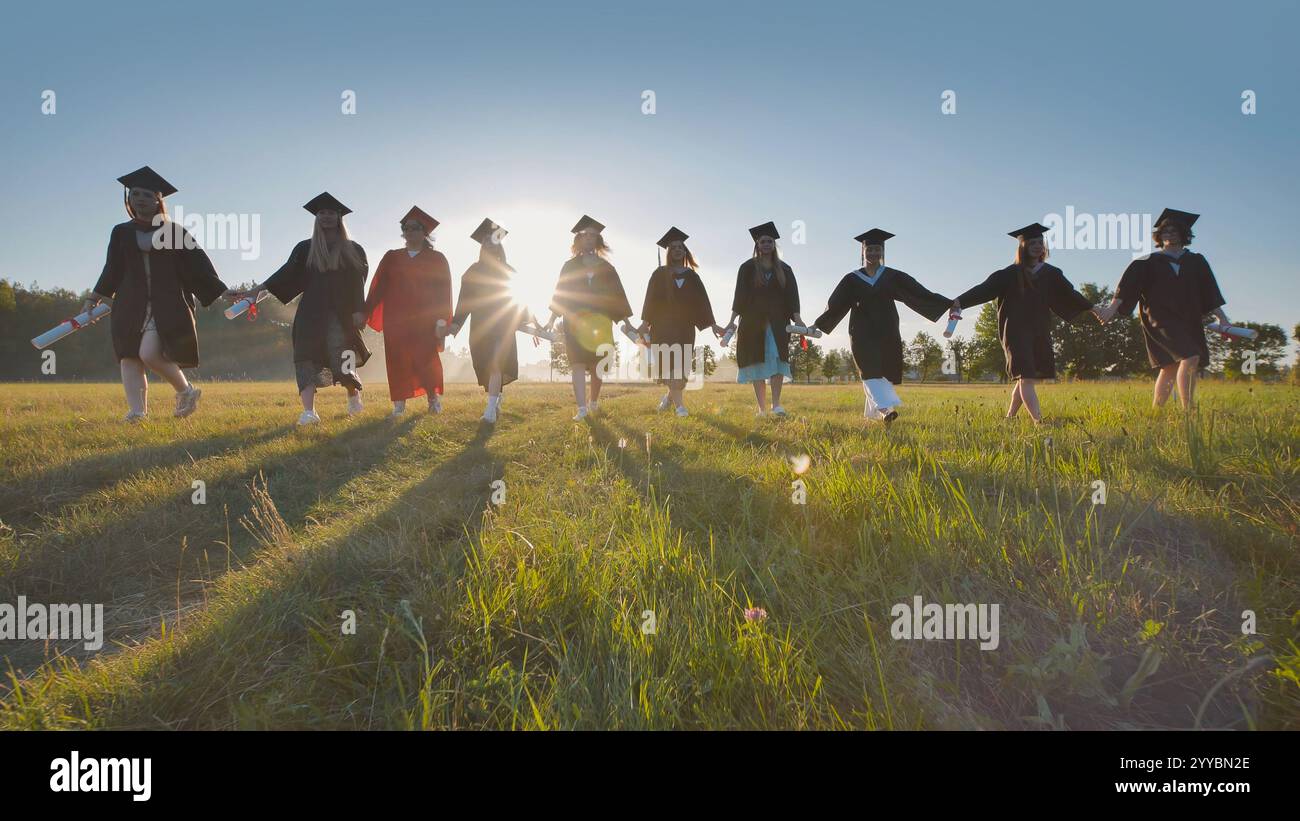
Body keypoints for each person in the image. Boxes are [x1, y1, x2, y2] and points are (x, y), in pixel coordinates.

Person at [83, 166, 234, 422]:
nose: (140, 198)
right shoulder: (121, 232)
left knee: (149, 354)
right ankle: (137, 412)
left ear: (158, 200)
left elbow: (199, 265)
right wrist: (94, 296)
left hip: (167, 303)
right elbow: (112, 268)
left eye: (147, 195)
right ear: (128, 199)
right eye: (135, 194)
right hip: (130, 304)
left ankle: (186, 391)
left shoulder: (174, 232)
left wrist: (223, 291)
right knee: (129, 357)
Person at [237, 192, 370, 425]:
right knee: (305, 357)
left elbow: (358, 282)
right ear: (316, 218)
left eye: (331, 213)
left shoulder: (353, 249)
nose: (326, 217)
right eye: (321, 213)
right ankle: (309, 412)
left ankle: (353, 395)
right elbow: (283, 276)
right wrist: (255, 293)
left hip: (342, 313)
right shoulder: (305, 248)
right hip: (311, 313)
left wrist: (360, 310)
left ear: (339, 217)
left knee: (344, 357)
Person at [953, 222, 1106, 423]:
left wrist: (1094, 309)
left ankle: (1009, 418)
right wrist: (958, 302)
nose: (1037, 246)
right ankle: (1038, 422)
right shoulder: (1009, 274)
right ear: (1023, 246)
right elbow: (984, 289)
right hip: (1015, 331)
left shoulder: (1051, 273)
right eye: (1032, 242)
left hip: (1040, 330)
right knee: (1025, 376)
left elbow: (1071, 294)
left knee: (1027, 378)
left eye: (1040, 242)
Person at [813, 229, 951, 424]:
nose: (873, 254)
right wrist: (819, 324)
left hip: (887, 329)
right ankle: (886, 410)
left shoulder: (892, 276)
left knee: (884, 369)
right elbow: (836, 303)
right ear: (863, 252)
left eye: (877, 250)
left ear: (882, 252)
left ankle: (874, 413)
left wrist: (946, 303)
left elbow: (918, 292)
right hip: (861, 331)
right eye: (869, 250)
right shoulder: (852, 279)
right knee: (868, 369)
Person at [1097, 209, 1229, 410]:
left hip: (1189, 319)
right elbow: (1126, 286)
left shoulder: (1197, 261)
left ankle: (1156, 411)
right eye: (1165, 231)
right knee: (1191, 356)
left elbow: (1209, 292)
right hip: (1160, 318)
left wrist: (1223, 319)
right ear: (1159, 235)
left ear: (1184, 234)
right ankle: (1189, 410)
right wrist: (1111, 309)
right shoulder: (1147, 261)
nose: (1169, 234)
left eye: (1174, 230)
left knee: (1169, 366)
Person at [363, 206, 452, 417]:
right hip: (396, 319)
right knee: (397, 360)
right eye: (406, 228)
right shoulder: (392, 257)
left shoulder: (437, 259)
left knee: (426, 359)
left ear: (425, 232)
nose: (410, 232)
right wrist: (365, 311)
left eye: (415, 228)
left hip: (425, 319)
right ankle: (399, 405)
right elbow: (377, 288)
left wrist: (442, 320)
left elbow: (444, 291)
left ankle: (433, 399)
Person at [544, 215, 633, 421]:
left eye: (593, 236)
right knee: (576, 363)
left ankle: (593, 402)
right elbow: (561, 293)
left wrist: (626, 322)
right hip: (574, 321)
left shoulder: (607, 268)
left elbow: (617, 295)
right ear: (578, 239)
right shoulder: (569, 266)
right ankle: (582, 409)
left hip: (600, 323)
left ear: (598, 240)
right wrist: (551, 319)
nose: (589, 239)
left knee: (596, 366)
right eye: (585, 235)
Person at [449, 218, 529, 423]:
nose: (489, 244)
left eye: (493, 240)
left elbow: (519, 300)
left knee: (495, 364)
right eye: (485, 241)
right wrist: (456, 323)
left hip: (502, 326)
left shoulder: (509, 270)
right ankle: (496, 397)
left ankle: (490, 410)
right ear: (481, 245)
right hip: (480, 328)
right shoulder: (472, 271)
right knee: (487, 366)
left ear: (499, 244)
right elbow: (464, 301)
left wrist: (528, 321)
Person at [721, 221, 804, 417]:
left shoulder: (785, 269)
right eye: (763, 241)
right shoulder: (747, 268)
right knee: (756, 361)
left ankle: (776, 405)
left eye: (769, 241)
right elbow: (739, 297)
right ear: (757, 244)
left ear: (774, 244)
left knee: (777, 360)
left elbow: (792, 297)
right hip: (752, 322)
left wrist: (798, 320)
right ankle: (761, 408)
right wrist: (731, 320)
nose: (766, 244)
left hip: (778, 322)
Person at [638, 227, 722, 417]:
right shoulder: (659, 274)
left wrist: (713, 324)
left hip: (685, 328)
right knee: (670, 366)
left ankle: (668, 399)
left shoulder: (692, 276)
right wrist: (645, 323)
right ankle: (680, 407)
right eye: (674, 247)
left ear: (685, 252)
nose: (677, 250)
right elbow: (650, 299)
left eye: (681, 247)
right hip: (663, 327)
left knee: (682, 369)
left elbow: (703, 302)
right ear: (669, 251)